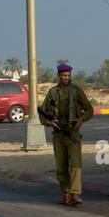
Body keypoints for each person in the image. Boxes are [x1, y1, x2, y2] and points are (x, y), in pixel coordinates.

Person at [38, 64, 94, 206]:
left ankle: (75, 193)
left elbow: (89, 109)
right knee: (61, 167)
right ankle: (66, 193)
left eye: (68, 75)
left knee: (76, 164)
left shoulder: (76, 91)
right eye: (63, 75)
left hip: (72, 133)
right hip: (58, 135)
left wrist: (81, 119)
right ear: (58, 75)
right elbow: (42, 112)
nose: (66, 78)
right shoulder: (52, 92)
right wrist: (49, 122)